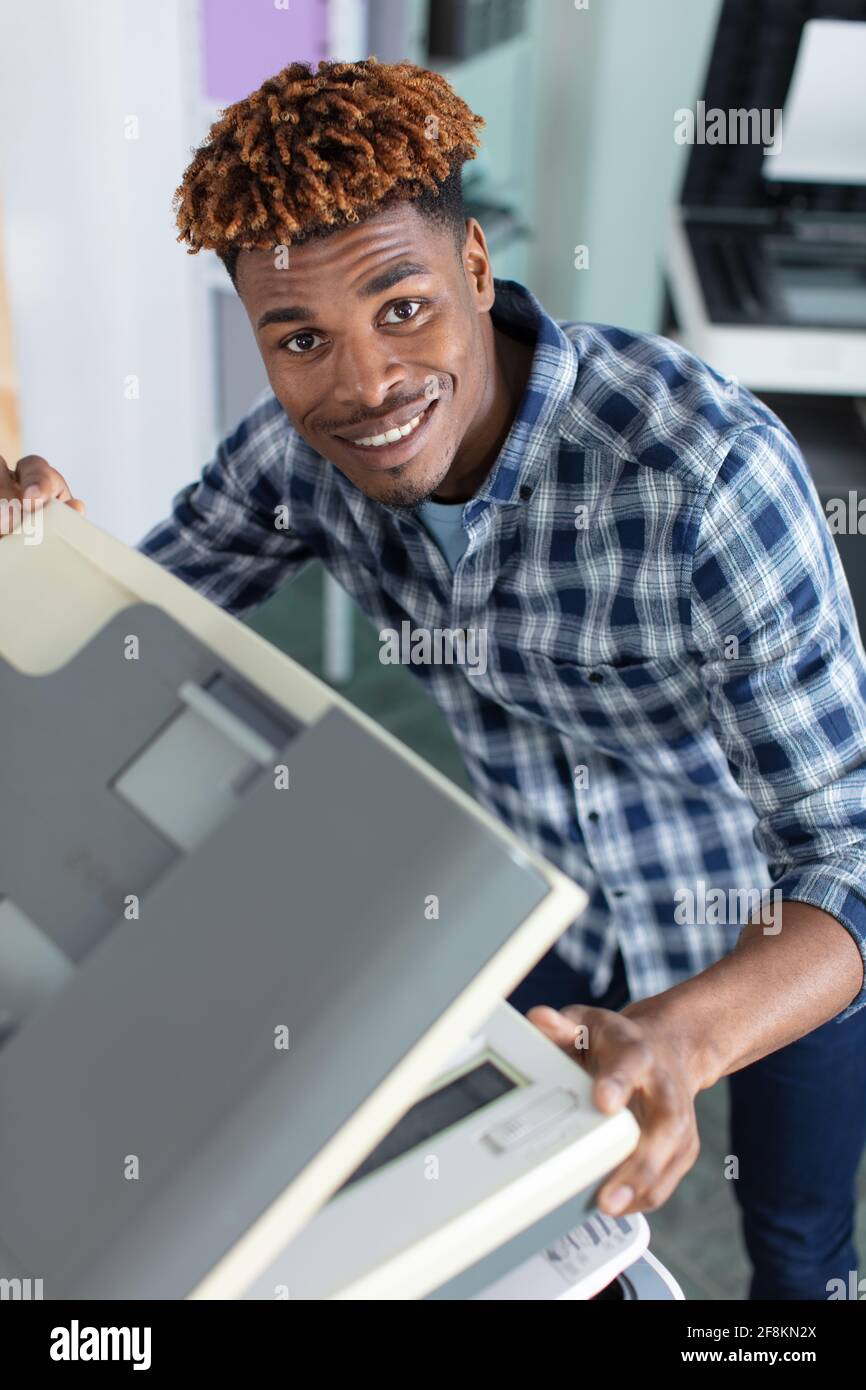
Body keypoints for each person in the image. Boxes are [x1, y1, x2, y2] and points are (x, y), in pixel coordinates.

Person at [2, 59, 864, 1300]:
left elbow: (846, 843)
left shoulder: (704, 478)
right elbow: (138, 638)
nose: (362, 387)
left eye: (401, 306)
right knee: (549, 1229)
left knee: (793, 1251)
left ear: (473, 268)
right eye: (299, 339)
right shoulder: (292, 460)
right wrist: (34, 556)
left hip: (756, 934)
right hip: (536, 908)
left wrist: (690, 1032)